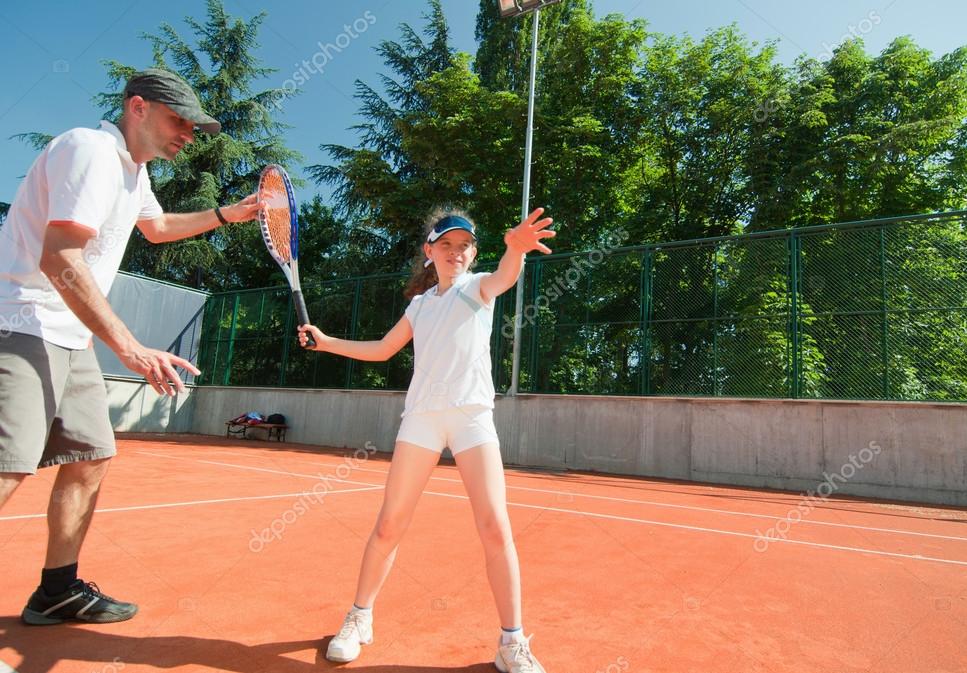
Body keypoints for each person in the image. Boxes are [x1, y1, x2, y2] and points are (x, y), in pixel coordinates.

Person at [0, 68, 263, 625]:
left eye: (194, 127)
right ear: (137, 107)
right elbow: (60, 258)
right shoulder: (90, 151)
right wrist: (131, 347)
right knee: (8, 468)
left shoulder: (134, 173)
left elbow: (158, 226)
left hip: (68, 334)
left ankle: (58, 591)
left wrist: (226, 214)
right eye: (179, 121)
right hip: (22, 325)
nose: (188, 135)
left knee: (91, 456)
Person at [298, 207, 555, 672]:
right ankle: (360, 617)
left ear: (473, 253)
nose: (456, 253)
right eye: (447, 245)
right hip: (421, 419)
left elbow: (505, 275)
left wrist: (515, 249)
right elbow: (381, 349)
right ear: (429, 252)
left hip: (472, 418)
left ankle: (511, 642)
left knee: (495, 526)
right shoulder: (419, 306)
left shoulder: (478, 288)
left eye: (464, 246)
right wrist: (328, 341)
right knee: (389, 524)